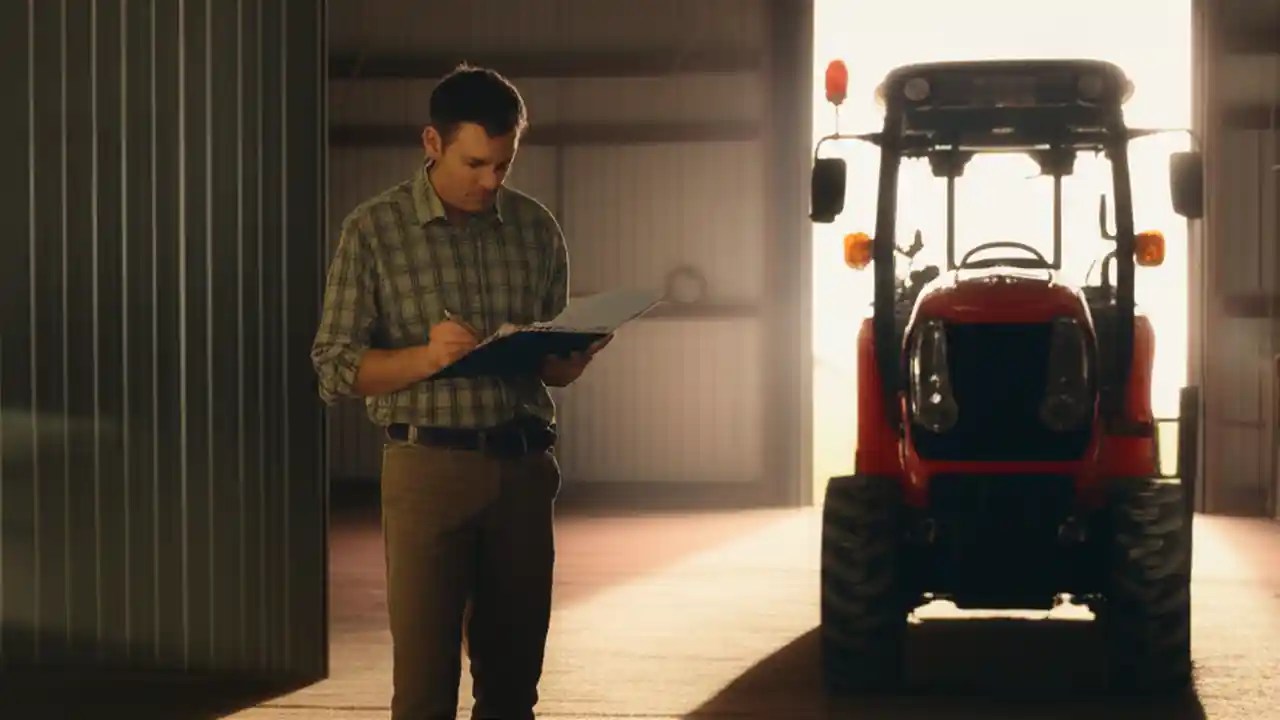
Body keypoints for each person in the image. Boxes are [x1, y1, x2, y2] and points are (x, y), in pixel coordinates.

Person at [311, 64, 609, 720]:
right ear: (431, 143)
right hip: (426, 474)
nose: (491, 181)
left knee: (512, 687)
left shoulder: (535, 229)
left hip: (525, 470)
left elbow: (546, 364)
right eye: (476, 163)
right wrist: (424, 356)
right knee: (424, 688)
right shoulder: (374, 231)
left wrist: (568, 361)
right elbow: (334, 369)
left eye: (504, 164)